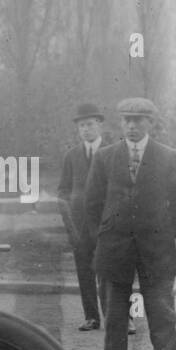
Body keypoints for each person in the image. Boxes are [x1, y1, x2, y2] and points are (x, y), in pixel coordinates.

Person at [83, 97, 176, 350]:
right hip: (113, 251)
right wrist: (103, 237)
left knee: (162, 318)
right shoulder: (104, 158)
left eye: (138, 120)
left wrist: (166, 231)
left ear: (151, 123)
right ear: (120, 122)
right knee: (115, 320)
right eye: (127, 119)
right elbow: (91, 205)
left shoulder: (170, 158)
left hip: (156, 250)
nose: (131, 125)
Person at [57, 103, 117, 332]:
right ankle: (91, 317)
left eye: (90, 124)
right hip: (80, 226)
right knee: (84, 271)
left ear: (100, 124)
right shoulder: (71, 156)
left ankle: (120, 318)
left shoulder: (114, 152)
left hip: (107, 225)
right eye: (81, 125)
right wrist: (69, 219)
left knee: (112, 272)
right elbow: (62, 191)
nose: (86, 129)